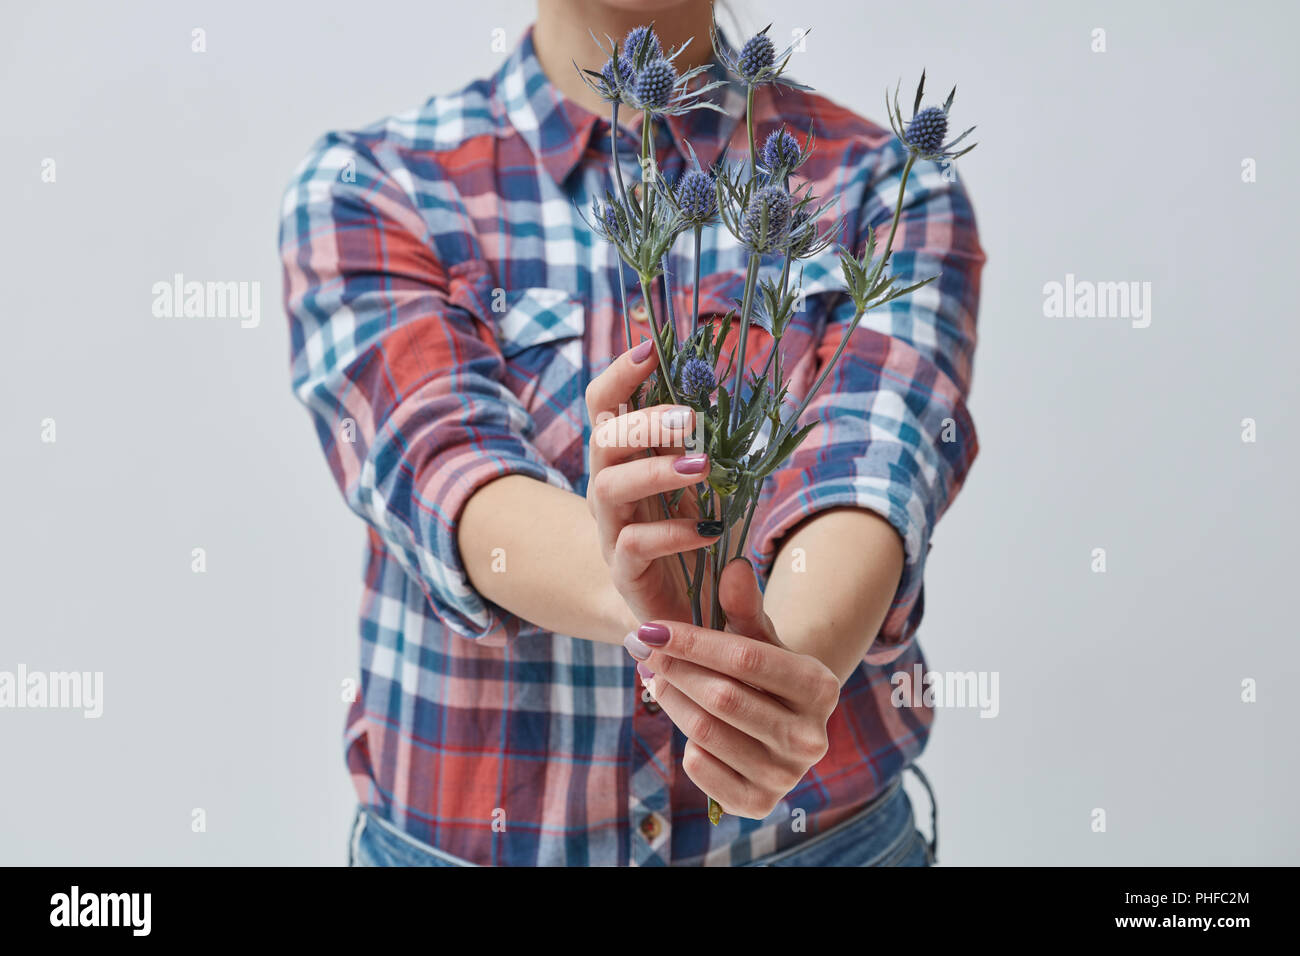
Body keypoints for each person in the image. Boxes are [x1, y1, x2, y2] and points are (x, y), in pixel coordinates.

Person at [278, 0, 982, 867]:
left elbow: (871, 469)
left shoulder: (887, 182)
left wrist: (777, 690)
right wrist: (645, 588)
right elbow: (445, 470)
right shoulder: (372, 183)